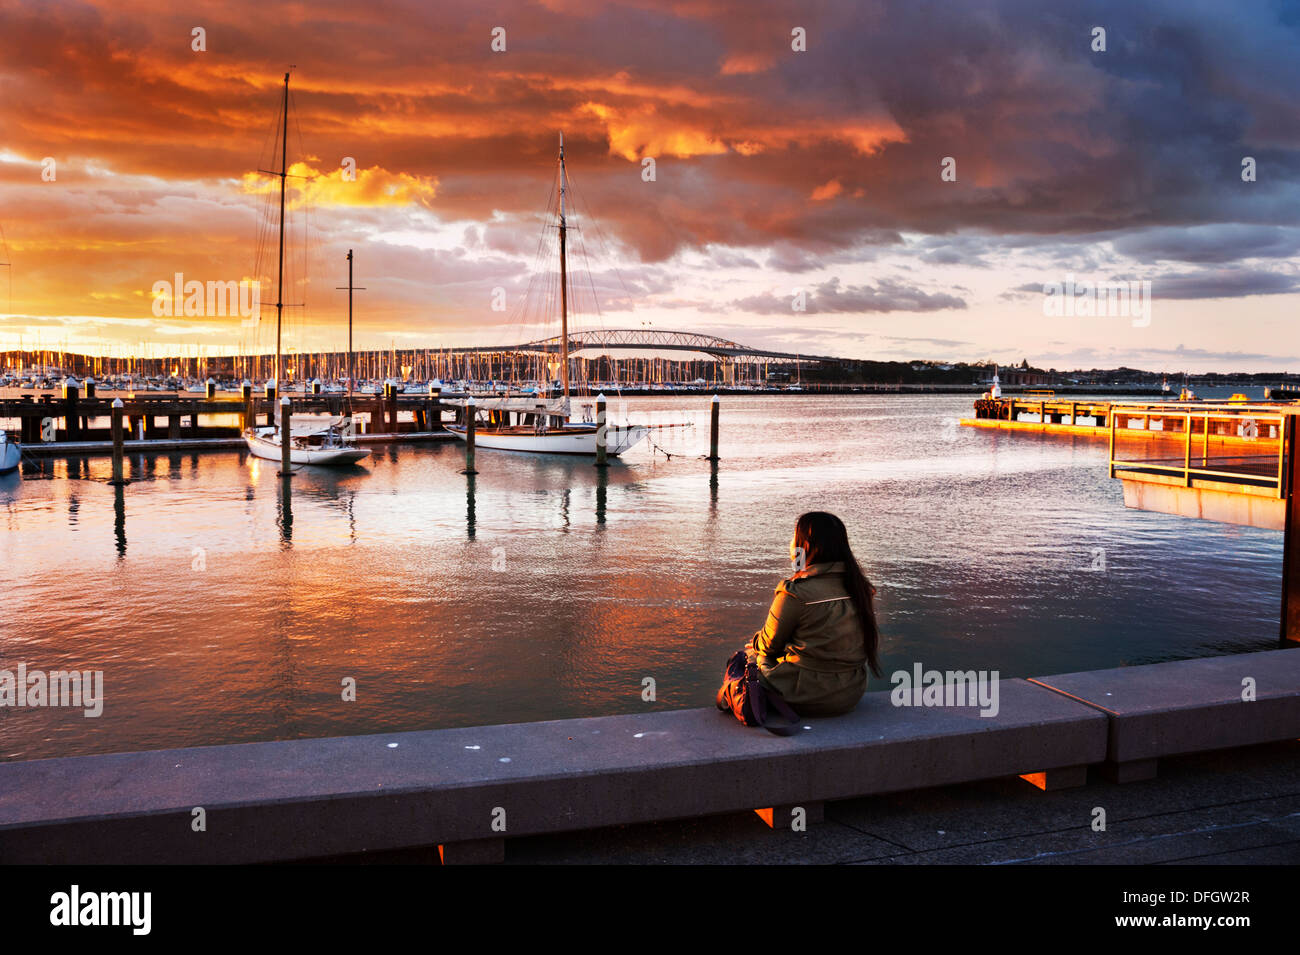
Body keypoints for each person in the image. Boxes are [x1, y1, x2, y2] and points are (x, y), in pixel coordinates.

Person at [748, 511, 883, 716]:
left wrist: (756, 644)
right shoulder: (860, 588)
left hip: (804, 696)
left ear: (805, 546)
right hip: (850, 693)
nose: (791, 544)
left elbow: (769, 645)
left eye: (794, 538)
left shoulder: (795, 593)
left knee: (749, 656)